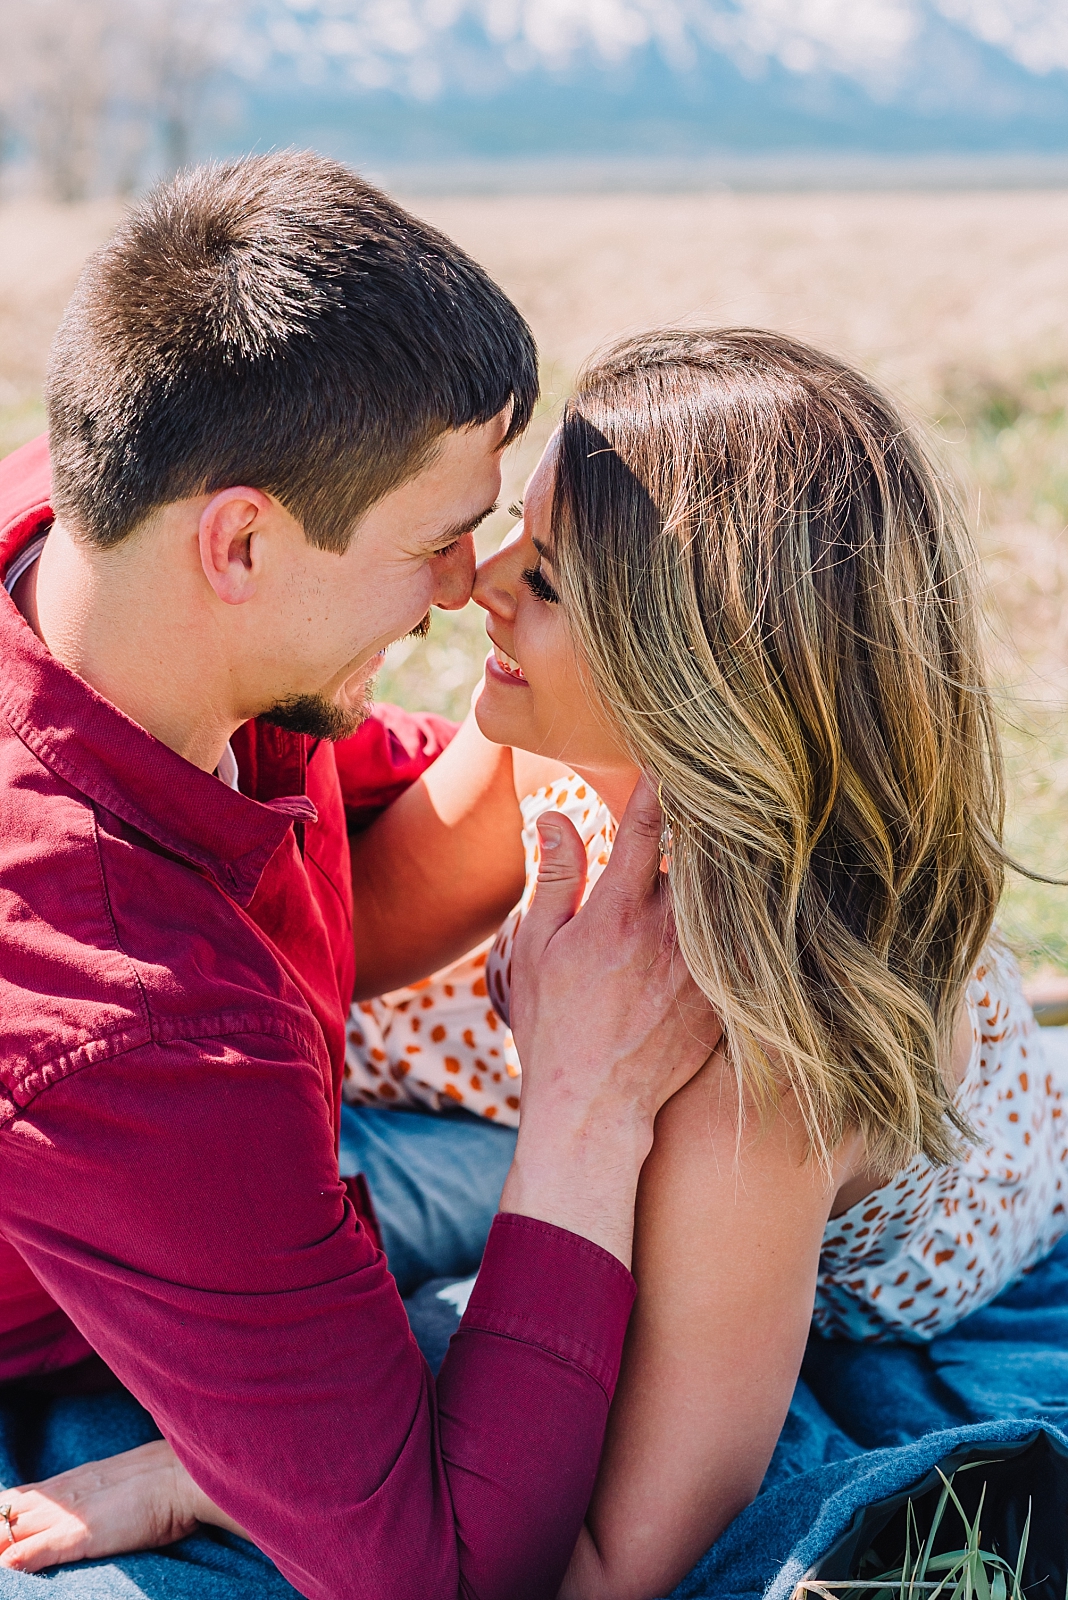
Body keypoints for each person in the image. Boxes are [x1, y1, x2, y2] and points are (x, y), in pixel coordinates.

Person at [12, 326, 1060, 1600]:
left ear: (696, 677)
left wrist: (221, 1466)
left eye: (547, 575)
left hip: (852, 1189)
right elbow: (365, 940)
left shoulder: (754, 1083)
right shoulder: (550, 737)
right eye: (515, 523)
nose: (479, 582)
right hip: (546, 1090)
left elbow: (613, 1563)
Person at [0, 158, 719, 1600]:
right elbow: (439, 1570)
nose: (469, 584)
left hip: (269, 1144)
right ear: (245, 541)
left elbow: (370, 867)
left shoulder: (101, 541)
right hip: (124, 1263)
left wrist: (607, 664)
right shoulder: (128, 1007)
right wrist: (586, 1107)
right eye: (435, 542)